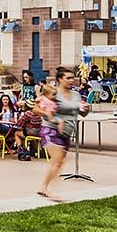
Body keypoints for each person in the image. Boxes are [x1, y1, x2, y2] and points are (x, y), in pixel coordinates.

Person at [35, 68, 89, 202]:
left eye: (73, 78)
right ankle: (44, 188)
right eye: (68, 78)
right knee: (57, 160)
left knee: (60, 162)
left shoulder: (76, 95)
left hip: (67, 131)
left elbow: (81, 113)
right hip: (51, 129)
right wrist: (48, 115)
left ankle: (46, 186)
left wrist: (86, 109)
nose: (72, 80)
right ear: (60, 79)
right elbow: (36, 108)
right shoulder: (53, 93)